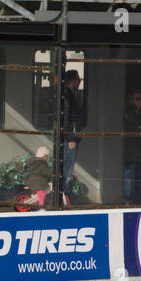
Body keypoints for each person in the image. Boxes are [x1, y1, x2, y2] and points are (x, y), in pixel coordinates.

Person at [60, 69, 87, 200]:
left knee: (67, 167)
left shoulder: (69, 94)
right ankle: (64, 195)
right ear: (73, 80)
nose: (80, 81)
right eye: (78, 79)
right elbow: (66, 118)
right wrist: (70, 138)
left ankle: (64, 194)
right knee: (67, 169)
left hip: (70, 136)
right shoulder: (67, 96)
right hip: (68, 138)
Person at [122, 90, 141, 204]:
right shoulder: (130, 114)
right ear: (132, 101)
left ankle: (138, 202)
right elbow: (136, 129)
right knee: (129, 179)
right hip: (131, 152)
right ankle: (128, 202)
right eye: (137, 99)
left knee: (139, 180)